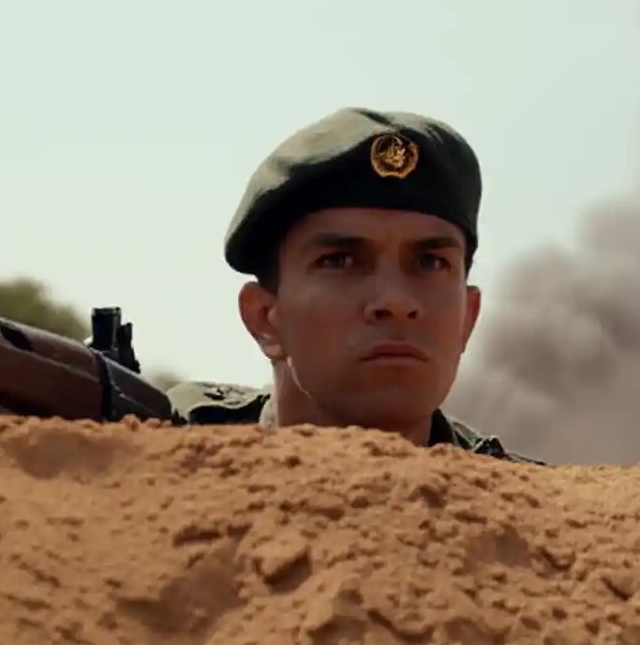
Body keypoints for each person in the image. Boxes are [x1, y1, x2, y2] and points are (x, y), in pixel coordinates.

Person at [167, 107, 545, 467]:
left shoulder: (540, 519)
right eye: (340, 261)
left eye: (431, 262)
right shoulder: (164, 456)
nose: (396, 302)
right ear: (265, 318)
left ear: (468, 318)